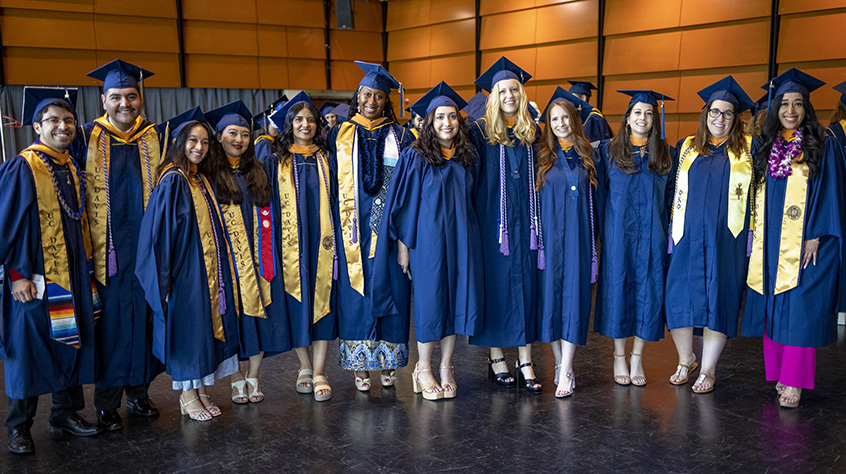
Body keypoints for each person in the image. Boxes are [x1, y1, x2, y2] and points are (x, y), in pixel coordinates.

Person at [2, 88, 102, 454]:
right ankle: (19, 426)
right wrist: (17, 275)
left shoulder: (70, 166)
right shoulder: (22, 166)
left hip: (71, 273)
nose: (63, 127)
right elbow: (6, 225)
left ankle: (65, 414)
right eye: (54, 121)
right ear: (36, 126)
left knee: (69, 341)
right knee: (28, 351)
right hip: (33, 277)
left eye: (69, 121)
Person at [372, 82, 484, 401]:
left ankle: (447, 367)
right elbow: (403, 203)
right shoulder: (415, 156)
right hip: (428, 243)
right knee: (431, 303)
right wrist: (404, 248)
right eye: (440, 118)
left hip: (462, 239)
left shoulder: (467, 155)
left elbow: (473, 197)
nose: (447, 123)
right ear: (429, 122)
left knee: (454, 301)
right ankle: (423, 368)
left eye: (452, 117)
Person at [742, 69, 845, 408]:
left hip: (809, 240)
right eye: (784, 104)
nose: (790, 110)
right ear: (775, 109)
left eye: (798, 104)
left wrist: (815, 235)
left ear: (807, 108)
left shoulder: (822, 141)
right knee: (775, 302)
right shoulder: (768, 144)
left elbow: (831, 189)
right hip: (772, 240)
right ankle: (779, 371)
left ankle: (795, 380)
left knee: (802, 307)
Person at [135, 113, 241, 421]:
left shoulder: (196, 177)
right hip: (184, 273)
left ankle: (199, 390)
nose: (199, 147)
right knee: (188, 333)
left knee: (201, 332)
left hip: (203, 269)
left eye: (205, 142)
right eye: (193, 141)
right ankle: (187, 394)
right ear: (179, 143)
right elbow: (160, 236)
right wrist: (167, 281)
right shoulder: (173, 180)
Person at [80, 59, 164, 431]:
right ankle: (106, 403)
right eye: (116, 97)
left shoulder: (155, 136)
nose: (125, 104)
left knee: (144, 322)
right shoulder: (85, 137)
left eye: (131, 95)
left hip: (146, 252)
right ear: (103, 100)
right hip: (106, 254)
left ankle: (139, 393)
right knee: (111, 326)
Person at [665, 76, 757, 394]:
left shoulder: (747, 152)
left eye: (727, 113)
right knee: (678, 298)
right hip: (687, 238)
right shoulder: (687, 147)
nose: (720, 118)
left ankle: (708, 369)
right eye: (714, 112)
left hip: (726, 242)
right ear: (706, 115)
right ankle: (685, 358)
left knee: (720, 299)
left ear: (736, 118)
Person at [327, 61, 413, 392]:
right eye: (366, 94)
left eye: (378, 96)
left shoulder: (403, 135)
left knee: (393, 288)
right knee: (355, 293)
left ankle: (389, 362)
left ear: (386, 100)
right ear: (357, 97)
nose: (372, 101)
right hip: (353, 230)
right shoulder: (339, 133)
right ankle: (359, 365)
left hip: (390, 231)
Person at [204, 100, 290, 404]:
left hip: (261, 255)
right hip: (228, 260)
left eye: (243, 134)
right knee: (234, 318)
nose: (238, 140)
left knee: (262, 317)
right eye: (232, 133)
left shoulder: (259, 170)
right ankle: (236, 378)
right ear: (218, 137)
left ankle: (253, 375)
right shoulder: (208, 174)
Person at [467, 57, 542, 392]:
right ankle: (496, 355)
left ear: (522, 94)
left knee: (527, 287)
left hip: (527, 224)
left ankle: (525, 358)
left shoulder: (533, 131)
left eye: (515, 89)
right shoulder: (479, 132)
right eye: (503, 90)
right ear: (493, 96)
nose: (510, 95)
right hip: (492, 225)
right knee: (495, 289)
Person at [593, 89, 673, 387]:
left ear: (654, 120)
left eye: (649, 113)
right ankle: (618, 355)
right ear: (627, 119)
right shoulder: (608, 152)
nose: (643, 118)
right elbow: (601, 196)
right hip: (618, 234)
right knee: (617, 289)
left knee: (649, 292)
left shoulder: (666, 153)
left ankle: (637, 357)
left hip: (653, 234)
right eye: (637, 112)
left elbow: (669, 198)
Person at [266, 92, 338, 402]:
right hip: (289, 245)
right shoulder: (276, 161)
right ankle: (304, 366)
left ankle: (320, 369)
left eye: (310, 119)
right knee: (296, 302)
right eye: (298, 119)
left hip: (323, 242)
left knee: (323, 300)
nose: (305, 124)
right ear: (289, 124)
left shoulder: (328, 159)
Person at [535, 88, 603, 398]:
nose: (560, 123)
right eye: (554, 119)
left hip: (577, 238)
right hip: (549, 240)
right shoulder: (541, 156)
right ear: (548, 124)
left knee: (574, 300)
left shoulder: (590, 156)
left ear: (574, 120)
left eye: (565, 117)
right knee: (551, 301)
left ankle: (567, 368)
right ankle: (561, 366)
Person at [254, 95, 288, 163]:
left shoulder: (274, 143)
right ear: (264, 126)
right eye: (273, 124)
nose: (276, 127)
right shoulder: (264, 143)